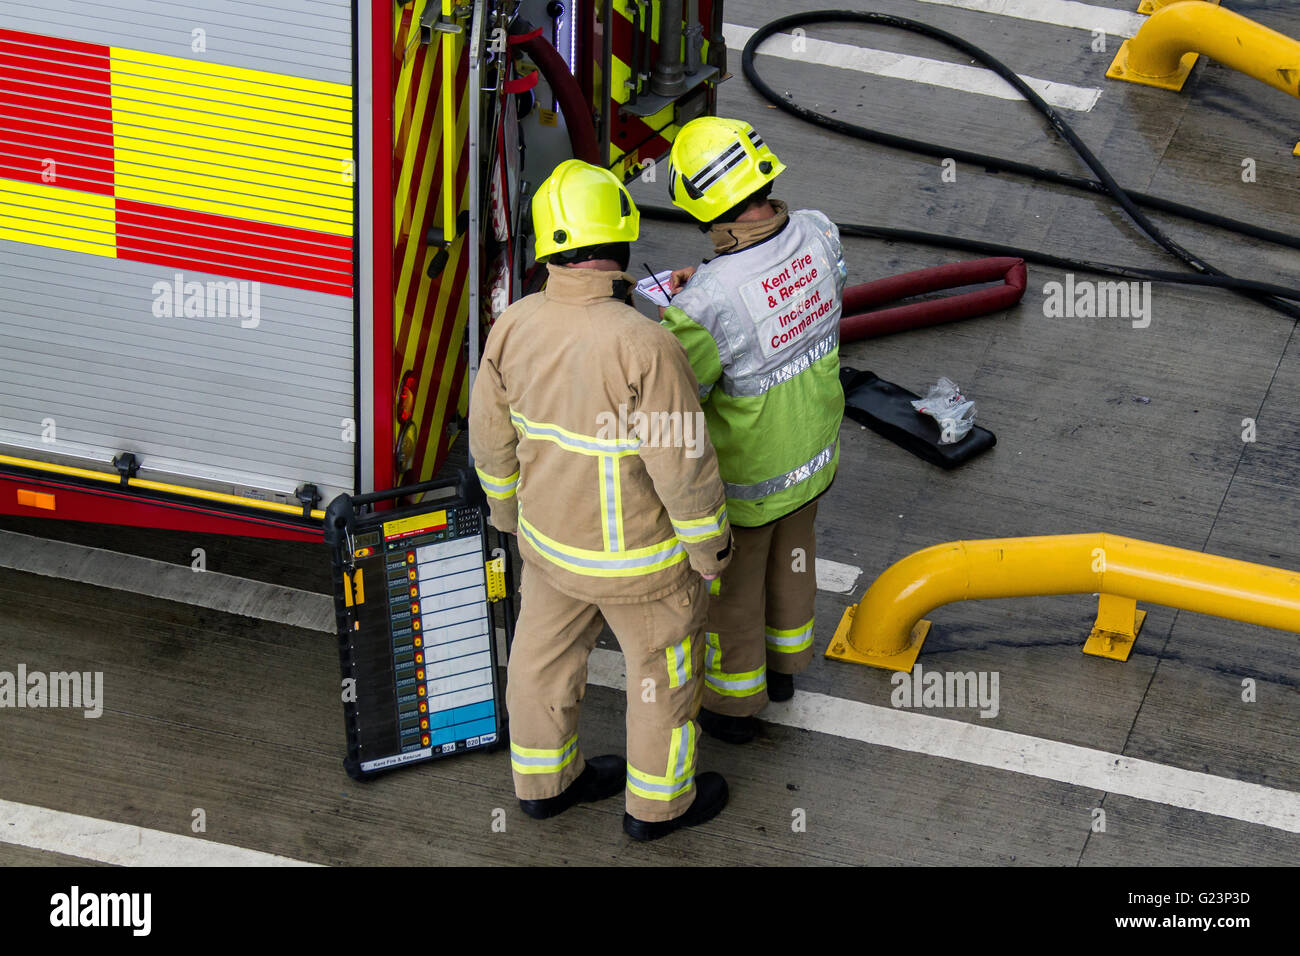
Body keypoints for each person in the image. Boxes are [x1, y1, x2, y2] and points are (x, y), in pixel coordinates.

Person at [469, 159, 734, 840]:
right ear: (620, 244)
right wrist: (710, 550)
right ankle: (658, 806)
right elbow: (683, 466)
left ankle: (544, 786)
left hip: (550, 549)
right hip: (638, 565)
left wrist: (506, 517)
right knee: (661, 678)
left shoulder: (512, 326)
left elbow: (492, 444)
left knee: (539, 662)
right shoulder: (646, 345)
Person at [660, 117, 846, 744]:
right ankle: (786, 668)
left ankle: (735, 709)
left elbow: (679, 388)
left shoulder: (704, 303)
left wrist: (689, 302)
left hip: (749, 482)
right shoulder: (820, 232)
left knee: (733, 595)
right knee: (793, 567)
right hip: (814, 457)